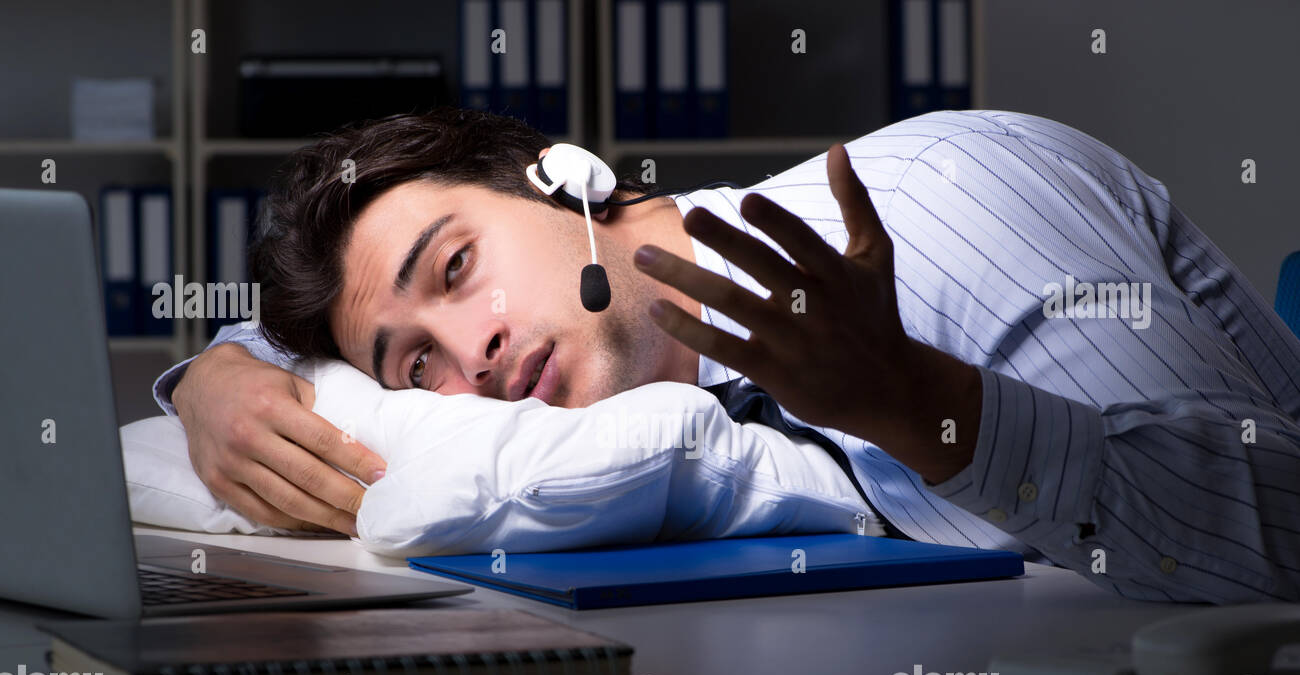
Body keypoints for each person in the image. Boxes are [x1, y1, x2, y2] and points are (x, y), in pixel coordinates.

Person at [154, 107, 1300, 603]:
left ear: (573, 180)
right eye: (414, 368)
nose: (473, 355)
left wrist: (923, 408)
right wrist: (216, 376)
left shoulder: (945, 206)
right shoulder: (658, 384)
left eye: (454, 269)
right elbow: (300, 349)